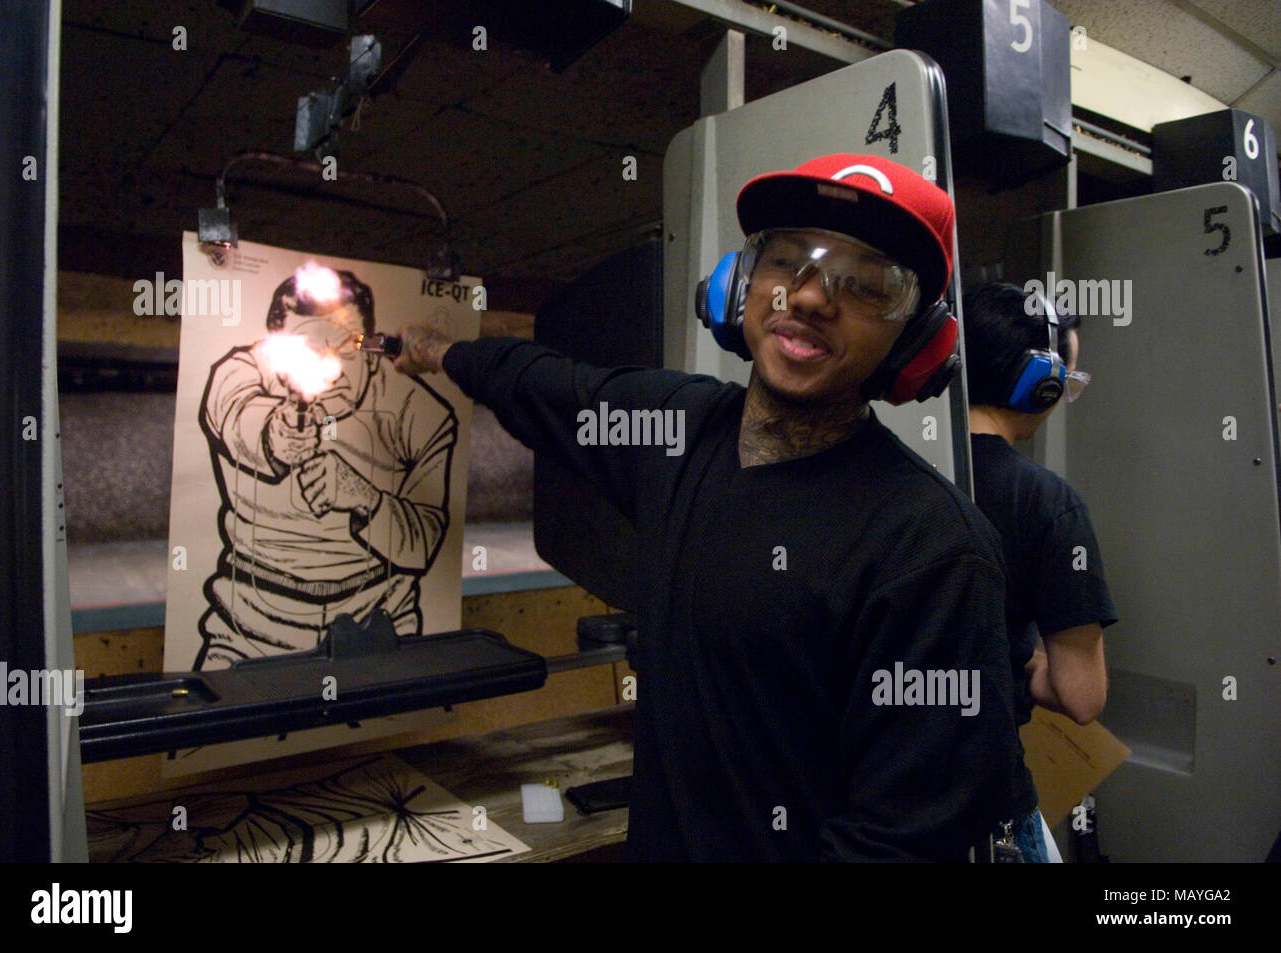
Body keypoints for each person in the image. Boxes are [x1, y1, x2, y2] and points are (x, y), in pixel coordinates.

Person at [397, 154, 1031, 861]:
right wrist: (438, 349)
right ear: (741, 286)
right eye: (791, 260)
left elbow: (904, 842)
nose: (813, 296)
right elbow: (543, 386)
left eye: (865, 283)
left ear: (915, 342)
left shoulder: (932, 550)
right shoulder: (676, 426)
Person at [194, 266, 458, 668]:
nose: (331, 369)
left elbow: (423, 545)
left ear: (370, 354)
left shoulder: (418, 414)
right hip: (249, 625)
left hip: (378, 619)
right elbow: (234, 409)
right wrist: (272, 436)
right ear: (273, 350)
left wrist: (364, 498)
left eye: (347, 348)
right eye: (308, 349)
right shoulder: (241, 371)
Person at [962, 281, 1118, 862]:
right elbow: (1081, 696)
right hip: (989, 799)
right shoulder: (1047, 502)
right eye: (1065, 383)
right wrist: (1031, 662)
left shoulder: (895, 468)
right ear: (1040, 384)